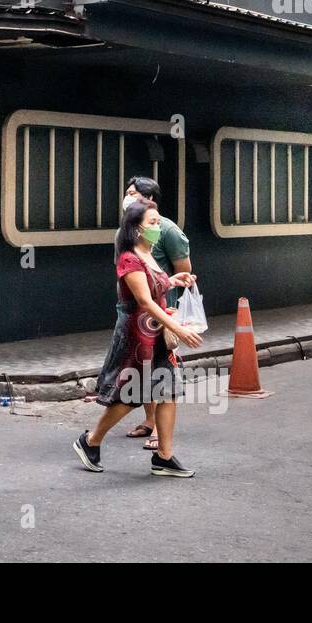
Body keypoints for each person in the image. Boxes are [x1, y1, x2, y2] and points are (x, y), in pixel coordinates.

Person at [72, 200, 201, 478]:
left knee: (168, 391)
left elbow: (154, 286)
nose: (158, 227)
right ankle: (91, 440)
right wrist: (179, 329)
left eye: (158, 222)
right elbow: (144, 300)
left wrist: (173, 281)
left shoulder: (149, 253)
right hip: (137, 336)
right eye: (152, 223)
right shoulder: (129, 258)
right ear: (136, 228)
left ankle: (164, 457)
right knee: (130, 396)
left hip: (155, 336)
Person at [120, 176, 194, 450]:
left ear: (148, 199)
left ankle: (160, 439)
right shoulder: (129, 231)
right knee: (142, 367)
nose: (127, 198)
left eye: (132, 193)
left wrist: (174, 318)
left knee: (161, 372)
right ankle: (149, 420)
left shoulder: (168, 230)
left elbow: (183, 268)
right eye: (127, 193)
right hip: (133, 312)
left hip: (161, 311)